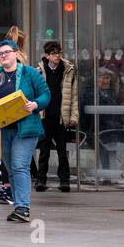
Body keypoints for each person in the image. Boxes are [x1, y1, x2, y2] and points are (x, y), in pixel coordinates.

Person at [0, 39, 52, 224]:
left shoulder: (29, 73)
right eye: (0, 54)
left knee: (19, 165)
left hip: (25, 129)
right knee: (11, 169)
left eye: (7, 52)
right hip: (4, 130)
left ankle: (23, 208)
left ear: (16, 53)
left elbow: (46, 94)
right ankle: (18, 205)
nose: (3, 56)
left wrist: (35, 104)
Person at [33, 41, 78, 192]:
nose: (57, 56)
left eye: (58, 53)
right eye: (53, 53)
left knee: (62, 150)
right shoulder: (39, 71)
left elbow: (74, 96)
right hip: (45, 115)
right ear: (47, 55)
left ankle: (64, 180)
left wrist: (73, 117)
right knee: (44, 150)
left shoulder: (68, 69)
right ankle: (41, 180)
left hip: (61, 116)